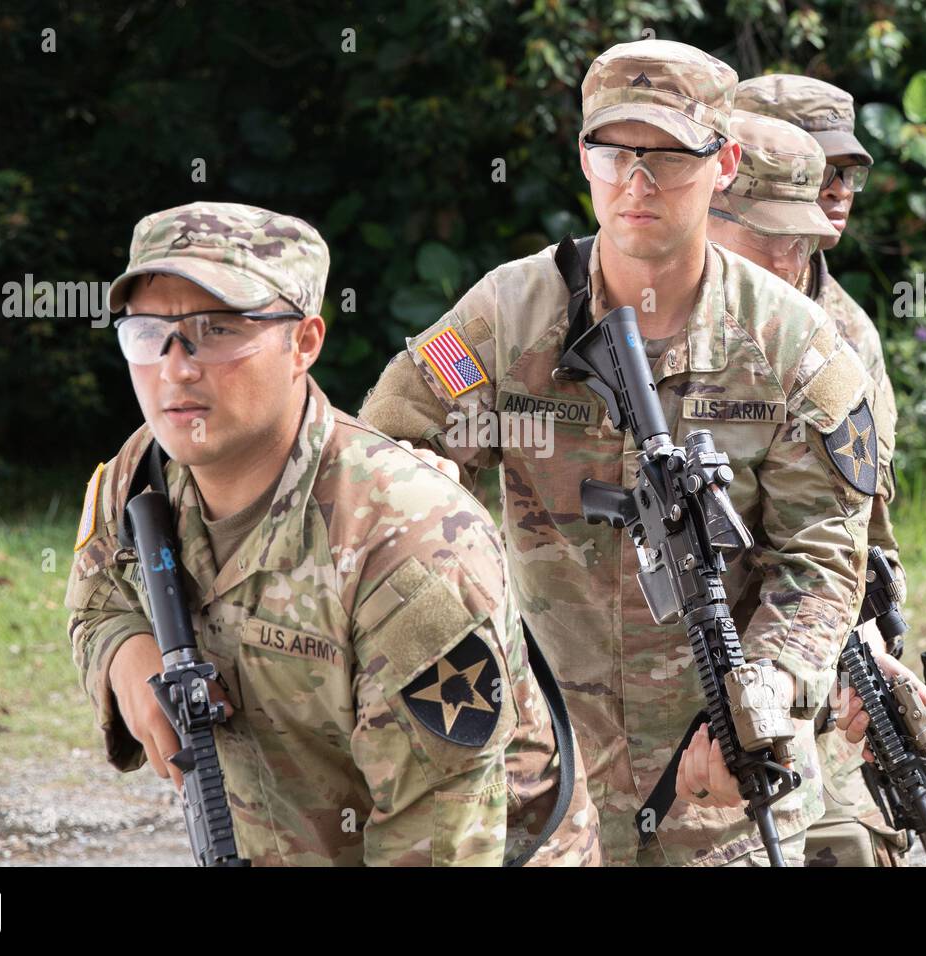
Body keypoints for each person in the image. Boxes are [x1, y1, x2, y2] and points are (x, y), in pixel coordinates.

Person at [360, 40, 879, 866]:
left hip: (728, 785)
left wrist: (769, 691)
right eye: (615, 153)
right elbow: (385, 460)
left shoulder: (795, 347)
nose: (638, 182)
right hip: (546, 769)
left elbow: (821, 557)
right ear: (583, 159)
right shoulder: (507, 316)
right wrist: (455, 571)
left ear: (725, 163)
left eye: (670, 156)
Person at [65, 201, 600, 866]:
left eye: (220, 330)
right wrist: (127, 655)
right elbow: (97, 584)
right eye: (150, 333)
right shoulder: (146, 469)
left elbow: (438, 843)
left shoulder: (411, 550)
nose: (176, 367)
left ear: (305, 343)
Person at [734, 74, 912, 866]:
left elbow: (868, 528)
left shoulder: (847, 333)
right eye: (819, 169)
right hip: (666, 643)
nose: (838, 191)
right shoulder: (644, 299)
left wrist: (874, 635)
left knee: (850, 844)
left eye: (851, 172)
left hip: (811, 631)